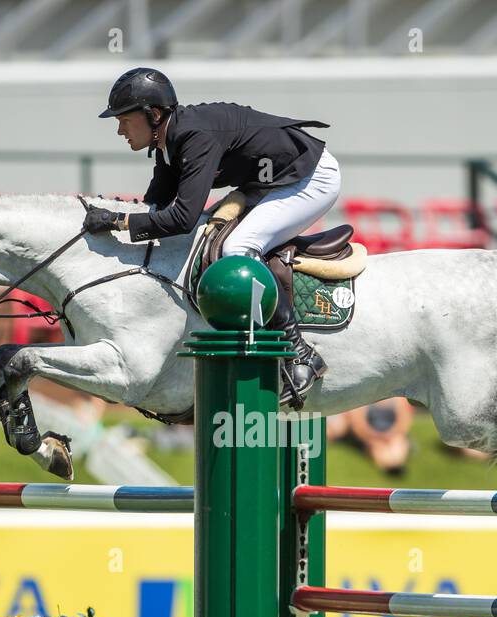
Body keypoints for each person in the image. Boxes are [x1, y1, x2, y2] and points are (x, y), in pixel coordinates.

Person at [85, 67, 341, 403]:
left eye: (124, 120)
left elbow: (181, 218)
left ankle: (300, 353)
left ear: (154, 115)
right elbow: (156, 205)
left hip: (310, 178)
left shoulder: (194, 137)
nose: (119, 129)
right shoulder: (166, 143)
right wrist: (116, 220)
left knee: (238, 247)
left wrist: (117, 222)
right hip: (268, 182)